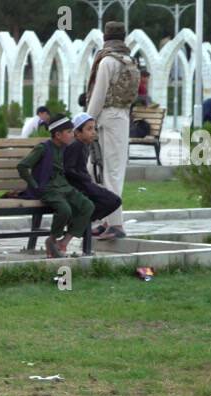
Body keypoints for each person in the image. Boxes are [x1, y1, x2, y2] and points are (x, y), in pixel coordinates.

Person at [86, 21, 139, 241]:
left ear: (105, 38)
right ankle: (104, 220)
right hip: (121, 118)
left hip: (106, 118)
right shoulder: (129, 60)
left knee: (110, 173)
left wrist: (86, 120)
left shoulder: (107, 61)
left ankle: (116, 224)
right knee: (94, 170)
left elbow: (98, 95)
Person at [17, 115, 94, 258]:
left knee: (87, 206)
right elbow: (22, 166)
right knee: (65, 210)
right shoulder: (43, 148)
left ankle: (63, 242)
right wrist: (35, 185)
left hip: (64, 187)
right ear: (58, 135)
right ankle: (51, 241)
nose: (73, 135)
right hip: (48, 189)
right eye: (69, 132)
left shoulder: (65, 148)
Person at [64, 113, 122, 232]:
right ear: (77, 133)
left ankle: (80, 221)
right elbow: (68, 169)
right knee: (113, 200)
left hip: (84, 184)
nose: (94, 132)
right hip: (77, 187)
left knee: (113, 200)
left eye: (94, 128)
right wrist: (86, 179)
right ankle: (79, 222)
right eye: (89, 129)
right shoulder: (76, 145)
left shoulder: (84, 145)